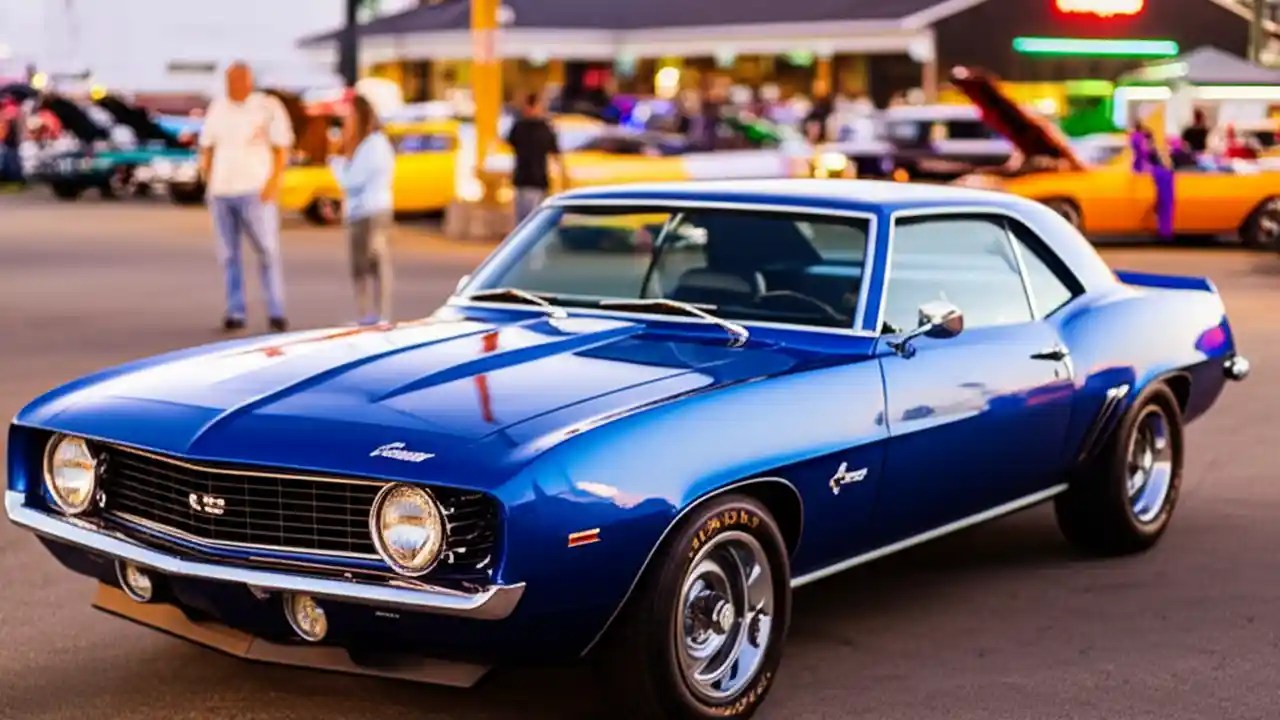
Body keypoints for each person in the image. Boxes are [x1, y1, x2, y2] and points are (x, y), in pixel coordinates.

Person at [198, 62, 294, 332]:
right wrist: (207, 176)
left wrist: (273, 183)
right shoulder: (219, 108)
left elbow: (281, 147)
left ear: (249, 81)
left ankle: (276, 310)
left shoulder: (266, 107)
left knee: (267, 251)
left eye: (239, 80)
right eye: (230, 81)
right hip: (222, 191)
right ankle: (235, 310)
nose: (234, 86)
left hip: (255, 189)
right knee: (229, 255)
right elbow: (207, 145)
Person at [329, 95, 395, 326]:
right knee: (363, 265)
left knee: (372, 264)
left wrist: (336, 163)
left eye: (349, 116)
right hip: (362, 211)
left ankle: (376, 315)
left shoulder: (373, 145)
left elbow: (352, 181)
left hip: (369, 211)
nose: (346, 122)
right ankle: (368, 314)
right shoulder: (367, 144)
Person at [506, 92, 565, 223]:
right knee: (527, 219)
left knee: (528, 219)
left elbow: (555, 154)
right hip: (525, 180)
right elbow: (555, 154)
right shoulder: (525, 127)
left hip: (535, 181)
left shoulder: (536, 128)